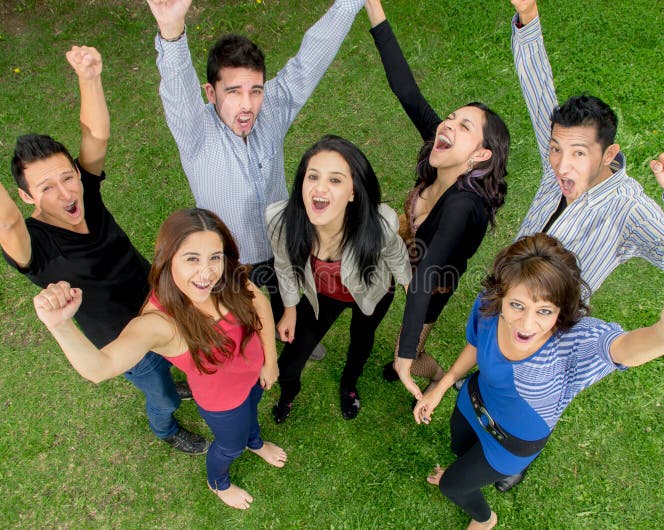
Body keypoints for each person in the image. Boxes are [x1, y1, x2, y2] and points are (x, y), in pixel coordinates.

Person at [495, 0, 664, 493]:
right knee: (497, 356)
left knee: (540, 393)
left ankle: (517, 456)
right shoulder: (559, 162)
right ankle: (486, 389)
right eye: (555, 148)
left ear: (608, 154)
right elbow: (537, 90)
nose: (561, 165)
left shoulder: (628, 206)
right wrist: (527, 17)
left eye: (577, 154)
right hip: (513, 292)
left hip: (558, 324)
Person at [0, 47, 206, 455]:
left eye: (67, 177)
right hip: (122, 337)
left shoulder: (84, 189)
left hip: (161, 300)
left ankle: (174, 378)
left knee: (184, 353)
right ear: (26, 195)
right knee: (163, 395)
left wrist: (89, 76)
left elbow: (97, 135)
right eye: (46, 188)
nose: (66, 193)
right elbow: (6, 222)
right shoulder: (35, 246)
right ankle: (165, 429)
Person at [413, 233, 664, 530]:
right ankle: (472, 472)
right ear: (501, 295)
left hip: (509, 443)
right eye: (517, 305)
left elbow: (620, 349)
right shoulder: (489, 305)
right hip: (472, 402)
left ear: (561, 310)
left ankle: (486, 520)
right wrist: (442, 387)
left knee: (453, 486)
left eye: (544, 310)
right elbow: (474, 345)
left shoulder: (571, 343)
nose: (526, 324)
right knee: (458, 449)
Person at [145, 0, 368, 356]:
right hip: (228, 256)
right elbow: (177, 91)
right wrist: (171, 33)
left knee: (289, 294)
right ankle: (243, 350)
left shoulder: (271, 111)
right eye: (233, 92)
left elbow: (309, 61)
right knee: (231, 316)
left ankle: (297, 338)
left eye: (255, 90)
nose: (247, 104)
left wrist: (349, 3)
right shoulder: (196, 131)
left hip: (280, 240)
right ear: (211, 92)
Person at [33, 208, 286, 510]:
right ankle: (218, 482)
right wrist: (59, 324)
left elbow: (262, 308)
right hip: (223, 402)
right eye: (192, 258)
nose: (206, 273)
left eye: (214, 257)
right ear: (167, 258)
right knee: (229, 444)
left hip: (255, 376)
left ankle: (254, 442)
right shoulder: (159, 323)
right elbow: (99, 369)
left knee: (251, 416)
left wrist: (270, 361)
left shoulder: (228, 277)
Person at [364, 0, 510, 399]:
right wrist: (374, 7)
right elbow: (406, 91)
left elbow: (427, 273)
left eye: (463, 127)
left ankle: (435, 372)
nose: (447, 124)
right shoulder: (444, 149)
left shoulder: (465, 206)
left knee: (405, 352)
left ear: (480, 155)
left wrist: (407, 352)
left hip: (432, 279)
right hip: (409, 244)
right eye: (451, 117)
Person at [265, 135, 412, 423]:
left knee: (361, 340)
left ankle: (349, 385)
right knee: (290, 363)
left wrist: (409, 285)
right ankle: (287, 396)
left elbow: (396, 254)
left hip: (371, 293)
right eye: (313, 176)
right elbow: (283, 265)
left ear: (353, 192)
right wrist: (291, 309)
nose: (320, 188)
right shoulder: (281, 221)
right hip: (322, 296)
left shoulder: (379, 224)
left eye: (335, 180)